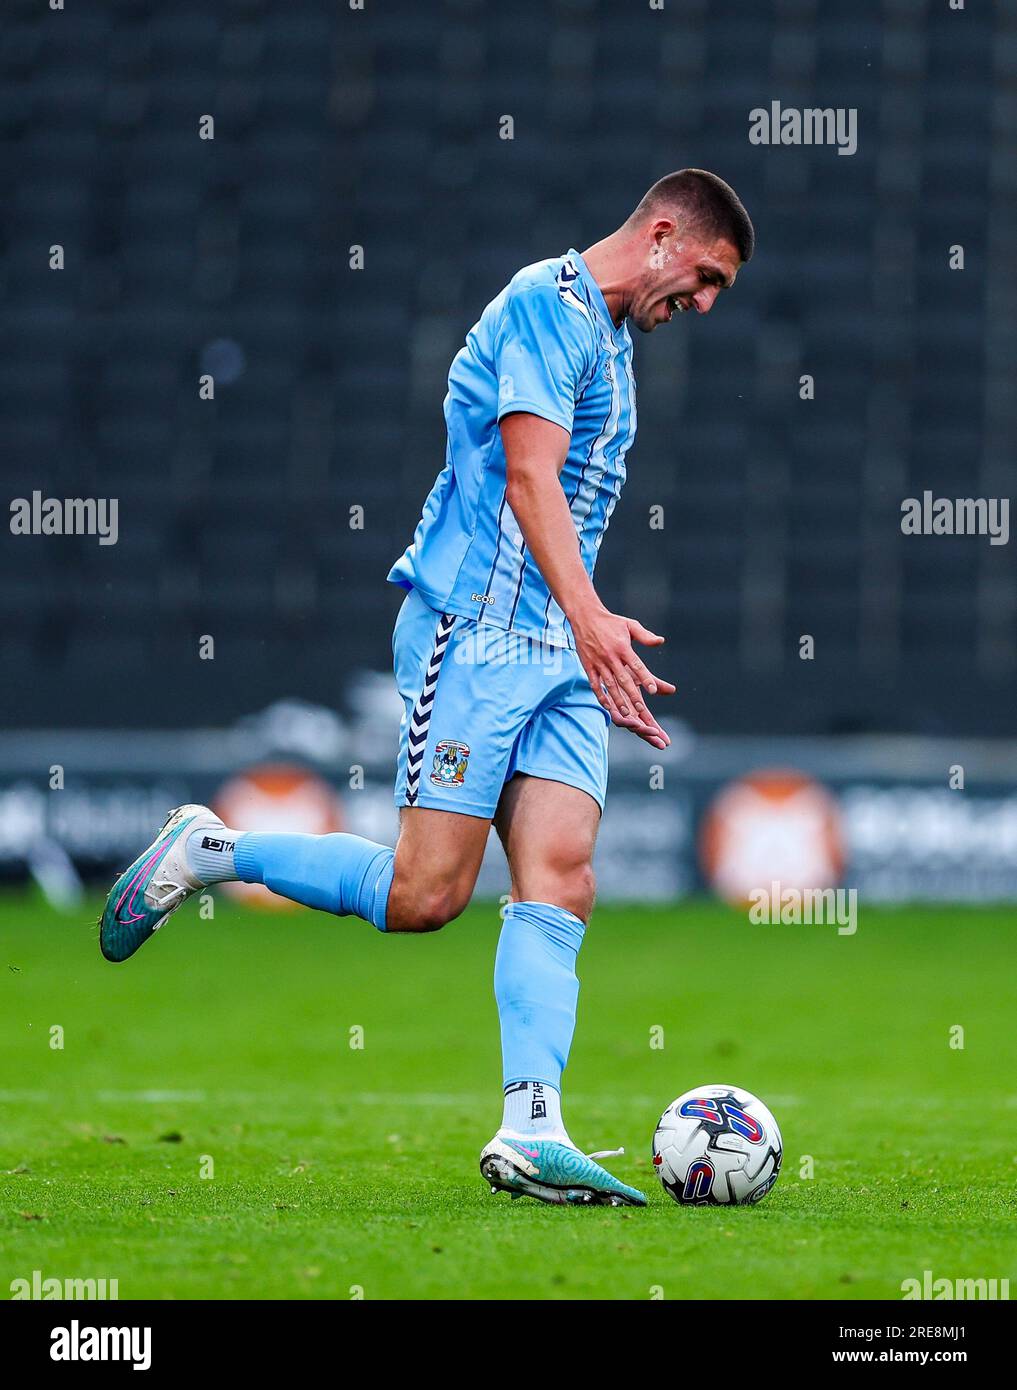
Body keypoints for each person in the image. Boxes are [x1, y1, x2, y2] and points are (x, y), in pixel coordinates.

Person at [99, 168, 753, 1207]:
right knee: (427, 895)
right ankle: (211, 850)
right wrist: (592, 619)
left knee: (563, 873)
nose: (707, 304)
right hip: (476, 633)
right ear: (664, 233)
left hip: (558, 647)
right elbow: (530, 476)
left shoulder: (616, 348)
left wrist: (582, 623)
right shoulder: (549, 304)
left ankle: (531, 1126)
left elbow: (560, 507)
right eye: (708, 276)